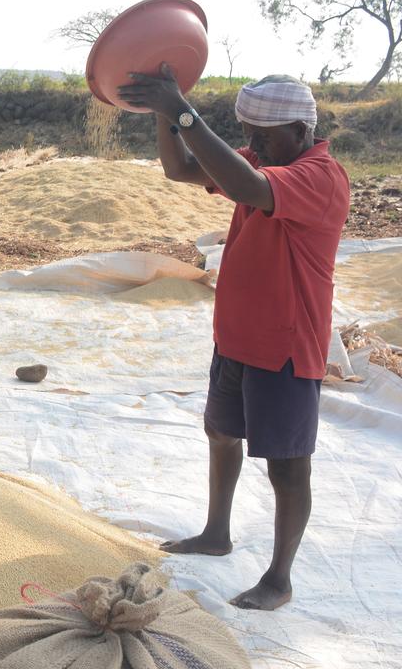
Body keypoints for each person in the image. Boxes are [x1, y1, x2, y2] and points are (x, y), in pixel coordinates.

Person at [116, 67, 349, 611]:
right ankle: (216, 533)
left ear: (299, 129)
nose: (253, 146)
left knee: (287, 467)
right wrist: (162, 113)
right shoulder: (264, 160)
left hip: (285, 346)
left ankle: (279, 579)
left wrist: (182, 111)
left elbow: (249, 187)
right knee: (221, 434)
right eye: (247, 135)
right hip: (238, 336)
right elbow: (180, 169)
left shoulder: (320, 176)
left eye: (262, 136)